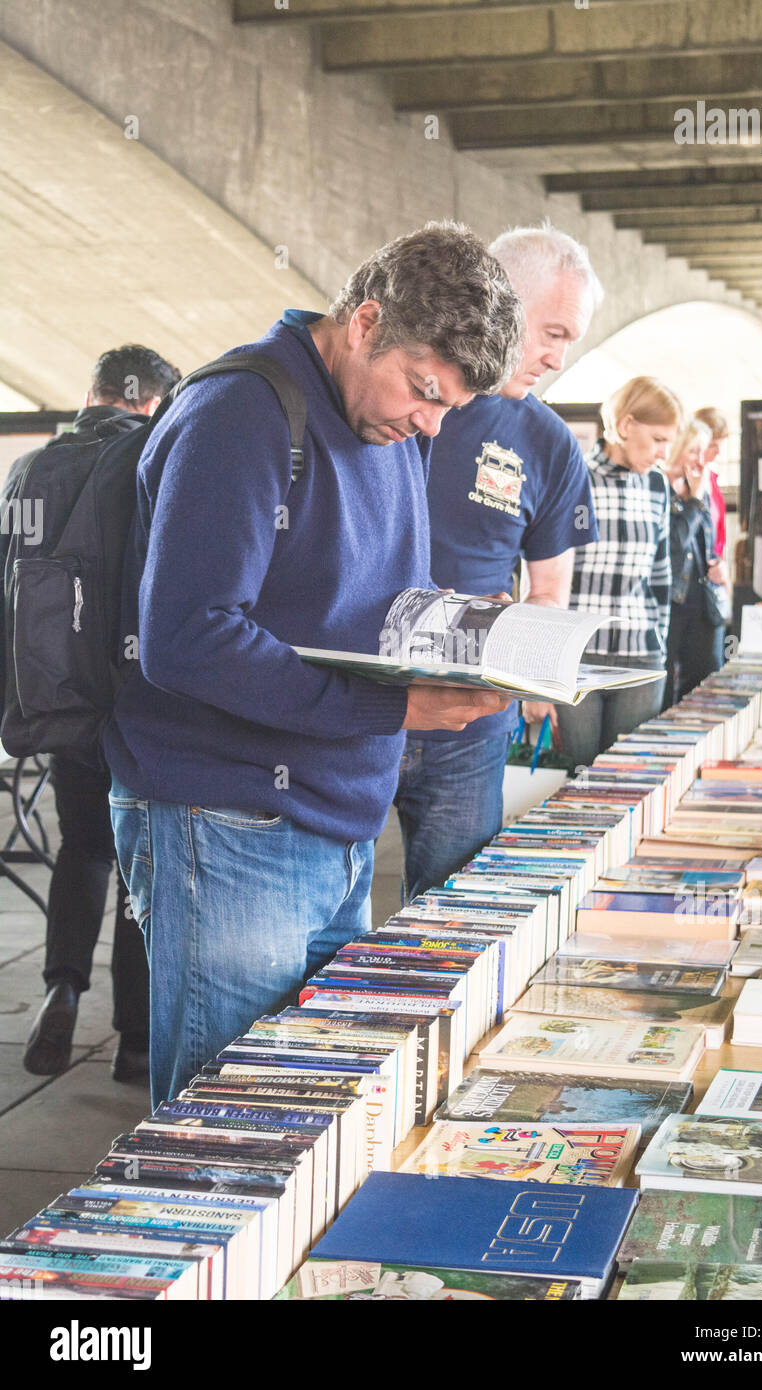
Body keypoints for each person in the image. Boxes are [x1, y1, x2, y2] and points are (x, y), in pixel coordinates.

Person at [103, 222, 525, 1106]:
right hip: (231, 825)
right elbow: (189, 635)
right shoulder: (241, 413)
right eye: (423, 391)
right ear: (365, 322)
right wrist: (394, 711)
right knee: (228, 1129)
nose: (429, 424)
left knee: (313, 1115)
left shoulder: (388, 433)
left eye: (449, 406)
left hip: (337, 822)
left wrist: (470, 641)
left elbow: (372, 598)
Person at [393, 224, 602, 901]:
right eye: (554, 333)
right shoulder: (396, 394)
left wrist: (533, 677)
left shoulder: (548, 444)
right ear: (499, 299)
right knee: (325, 910)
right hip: (354, 701)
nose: (557, 358)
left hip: (472, 721)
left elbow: (548, 592)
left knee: (451, 911)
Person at [16, 346, 180, 1083]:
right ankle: (137, 1037)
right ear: (155, 401)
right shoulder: (146, 459)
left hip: (51, 693)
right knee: (138, 861)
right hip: (129, 693)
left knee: (81, 846)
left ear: (96, 391)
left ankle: (60, 989)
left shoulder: (30, 469)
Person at [557, 376, 684, 771]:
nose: (664, 453)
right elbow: (550, 571)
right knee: (578, 778)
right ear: (626, 426)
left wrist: (657, 641)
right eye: (659, 439)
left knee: (630, 778)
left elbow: (660, 575)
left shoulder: (658, 487)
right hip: (576, 658)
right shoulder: (573, 479)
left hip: (641, 660)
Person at [663, 416, 730, 707]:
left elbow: (708, 543)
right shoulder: (657, 487)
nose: (701, 461)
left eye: (704, 452)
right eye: (694, 451)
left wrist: (720, 567)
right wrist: (696, 500)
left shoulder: (698, 486)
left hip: (704, 601)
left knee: (706, 690)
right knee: (663, 692)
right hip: (670, 602)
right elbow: (675, 544)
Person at [694, 405, 729, 561]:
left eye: (720, 445)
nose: (718, 452)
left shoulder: (711, 477)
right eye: (713, 445)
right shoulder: (685, 480)